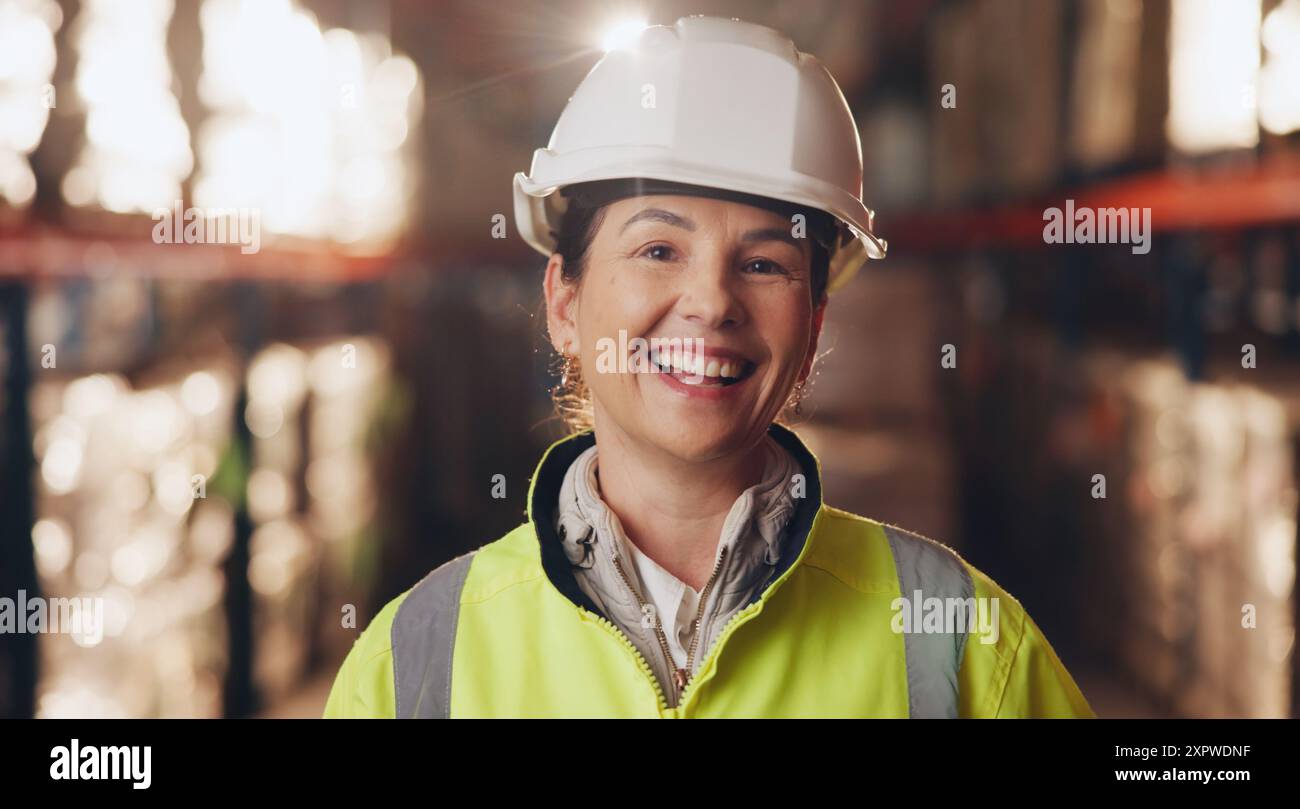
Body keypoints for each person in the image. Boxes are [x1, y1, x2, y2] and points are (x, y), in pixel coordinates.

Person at [323, 15, 1094, 718]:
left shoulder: (962, 643)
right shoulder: (413, 663)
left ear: (815, 323)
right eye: (659, 249)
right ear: (565, 302)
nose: (712, 302)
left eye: (764, 263)